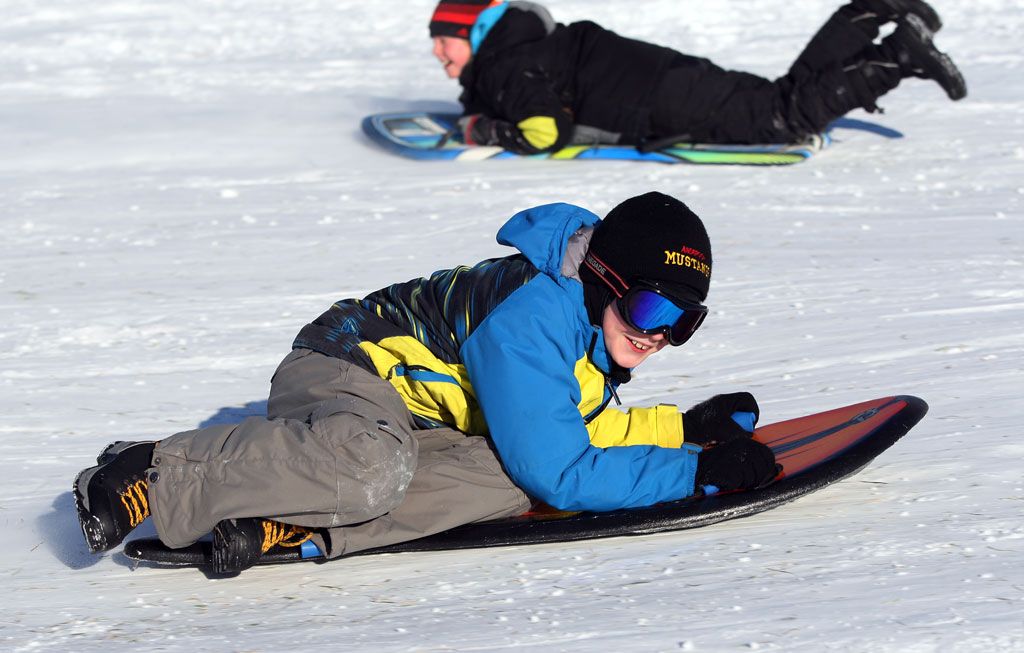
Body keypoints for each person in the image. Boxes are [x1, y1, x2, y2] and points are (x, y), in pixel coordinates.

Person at [74, 192, 778, 574]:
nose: (660, 336)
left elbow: (564, 436)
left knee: (511, 483)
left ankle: (296, 523)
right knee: (377, 464)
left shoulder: (594, 330)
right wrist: (694, 473)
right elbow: (566, 472)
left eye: (684, 322)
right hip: (344, 367)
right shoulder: (533, 318)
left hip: (412, 421)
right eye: (653, 308)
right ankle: (153, 471)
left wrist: (682, 428)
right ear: (605, 277)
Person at [428, 0, 967, 154]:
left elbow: (546, 131)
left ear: (475, 32)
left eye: (445, 39)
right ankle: (868, 13)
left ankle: (898, 55)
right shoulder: (522, 45)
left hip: (655, 100)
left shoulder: (504, 65)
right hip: (663, 76)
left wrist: (484, 130)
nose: (436, 51)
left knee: (783, 118)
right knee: (780, 98)